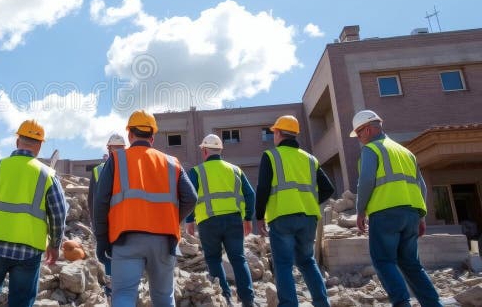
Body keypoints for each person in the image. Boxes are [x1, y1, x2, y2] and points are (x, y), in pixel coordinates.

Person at [94, 110, 197, 307]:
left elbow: (100, 202)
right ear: (153, 136)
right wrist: (170, 219)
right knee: (164, 299)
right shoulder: (171, 162)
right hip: (164, 241)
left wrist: (102, 239)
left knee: (123, 295)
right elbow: (191, 197)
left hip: (126, 239)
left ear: (130, 135)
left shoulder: (116, 160)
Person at [0, 119, 67, 307]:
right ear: (39, 146)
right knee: (21, 301)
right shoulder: (47, 175)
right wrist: (55, 245)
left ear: (17, 141)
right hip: (29, 250)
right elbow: (58, 214)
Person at [351, 110, 441, 307]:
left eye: (358, 133)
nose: (358, 138)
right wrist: (422, 216)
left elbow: (366, 181)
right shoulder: (406, 152)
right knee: (411, 264)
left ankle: (402, 303)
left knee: (384, 261)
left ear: (367, 129)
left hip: (385, 213)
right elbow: (421, 185)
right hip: (411, 214)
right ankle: (434, 304)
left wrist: (360, 211)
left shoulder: (372, 149)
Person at [255, 115, 334, 307]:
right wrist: (307, 201)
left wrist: (259, 216)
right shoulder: (310, 159)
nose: (274, 135)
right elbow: (328, 189)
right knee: (307, 261)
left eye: (274, 132)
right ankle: (322, 303)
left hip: (281, 218)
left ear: (279, 133)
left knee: (283, 265)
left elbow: (263, 188)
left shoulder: (271, 156)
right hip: (307, 218)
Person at [185, 134, 256, 307]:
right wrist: (248, 218)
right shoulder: (235, 170)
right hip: (233, 220)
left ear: (204, 150)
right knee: (238, 259)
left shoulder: (196, 171)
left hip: (208, 223)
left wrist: (189, 220)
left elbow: (189, 197)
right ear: (220, 150)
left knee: (213, 260)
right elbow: (250, 194)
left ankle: (225, 298)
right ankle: (248, 301)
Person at [87, 133, 126, 300]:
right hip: (126, 222)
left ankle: (112, 293)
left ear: (108, 148)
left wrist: (96, 225)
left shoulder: (99, 170)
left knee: (109, 256)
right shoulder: (131, 168)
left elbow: (93, 201)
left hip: (107, 223)